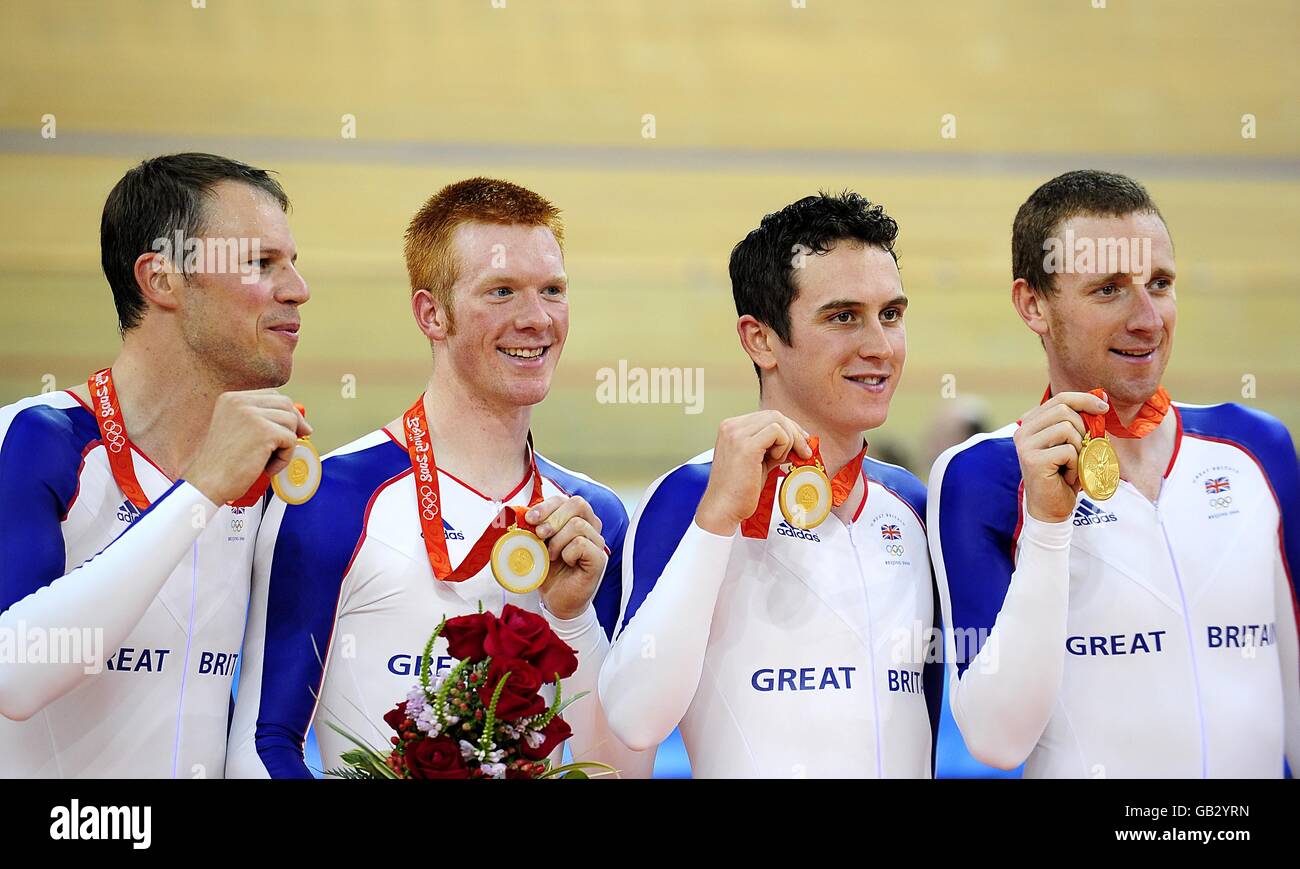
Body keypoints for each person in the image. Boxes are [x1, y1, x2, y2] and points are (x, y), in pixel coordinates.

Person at [227, 177, 653, 778]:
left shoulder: (592, 516)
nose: (536, 319)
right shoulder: (333, 499)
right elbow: (264, 742)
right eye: (501, 292)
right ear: (432, 313)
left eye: (552, 290)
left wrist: (572, 619)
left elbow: (616, 774)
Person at [928, 169, 1300, 778]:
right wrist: (1048, 528)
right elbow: (997, 740)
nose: (1148, 319)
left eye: (1160, 283)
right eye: (1109, 290)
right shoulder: (986, 476)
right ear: (1033, 304)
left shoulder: (1256, 449)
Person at [598, 191, 940, 778]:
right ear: (760, 339)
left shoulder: (912, 505)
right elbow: (634, 718)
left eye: (891, 314)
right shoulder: (689, 497)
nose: (880, 346)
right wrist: (716, 523)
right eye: (843, 316)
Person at [0, 153, 311, 777]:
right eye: (260, 263)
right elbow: (16, 678)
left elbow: (264, 736)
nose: (297, 290)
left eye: (293, 264)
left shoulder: (273, 476)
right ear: (161, 279)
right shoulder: (35, 438)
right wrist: (200, 490)